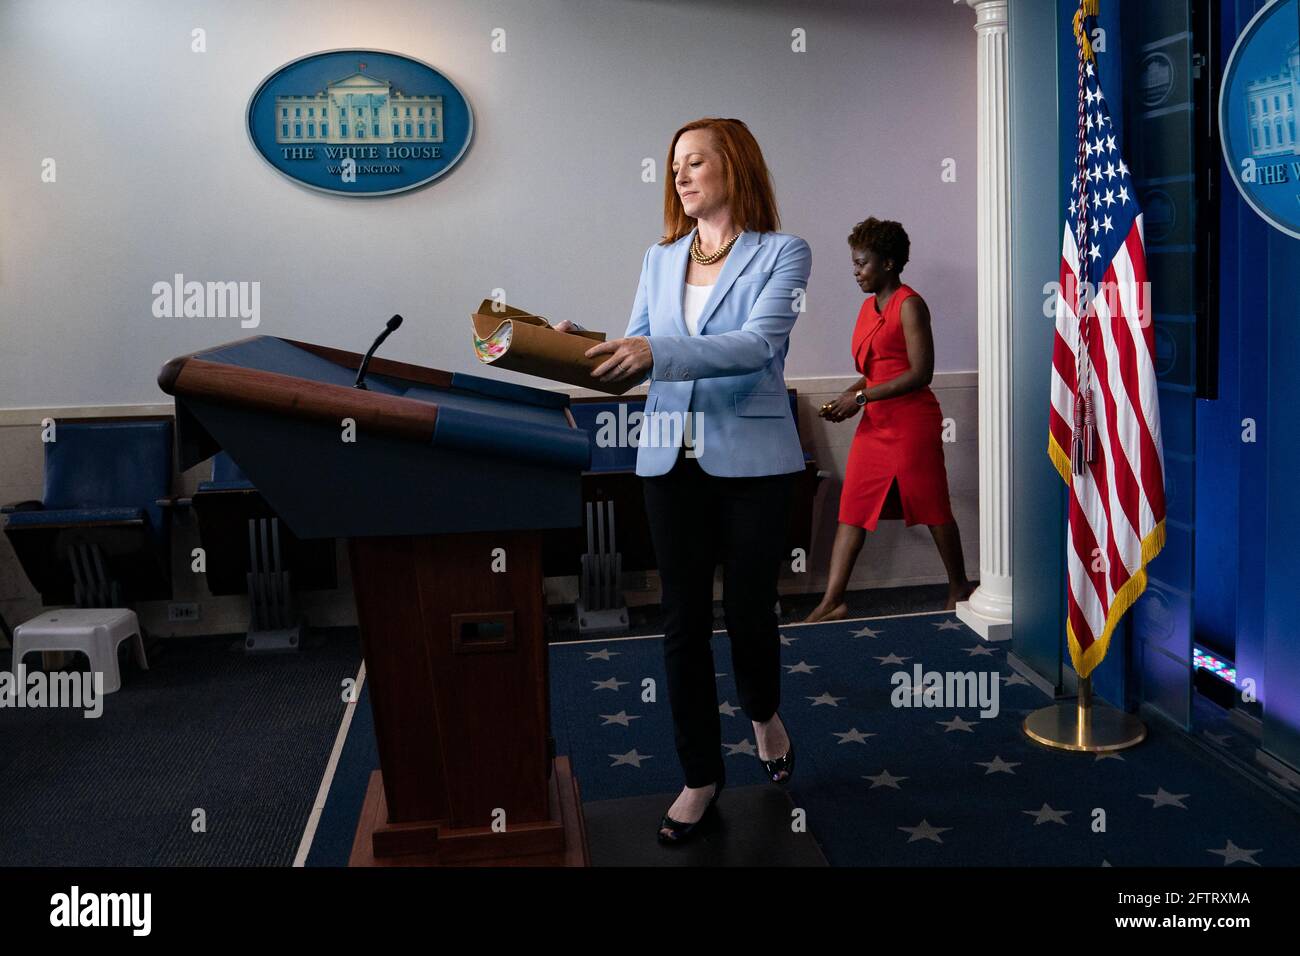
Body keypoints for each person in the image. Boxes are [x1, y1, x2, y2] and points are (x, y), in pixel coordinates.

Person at [555, 117, 811, 845]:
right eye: (675, 168)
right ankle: (700, 775)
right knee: (681, 623)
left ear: (735, 165)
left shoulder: (783, 252)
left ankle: (762, 711)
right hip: (670, 463)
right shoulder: (660, 257)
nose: (681, 176)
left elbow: (759, 345)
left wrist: (651, 351)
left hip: (754, 464)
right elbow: (637, 350)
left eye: (695, 162)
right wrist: (576, 352)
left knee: (751, 612)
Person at [803, 217, 974, 623]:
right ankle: (832, 601)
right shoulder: (868, 308)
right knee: (853, 506)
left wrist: (860, 398)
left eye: (862, 263)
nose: (856, 271)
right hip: (877, 422)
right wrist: (849, 395)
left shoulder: (910, 305)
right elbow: (877, 371)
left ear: (889, 263)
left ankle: (958, 587)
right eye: (854, 263)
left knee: (932, 505)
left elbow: (920, 373)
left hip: (913, 421)